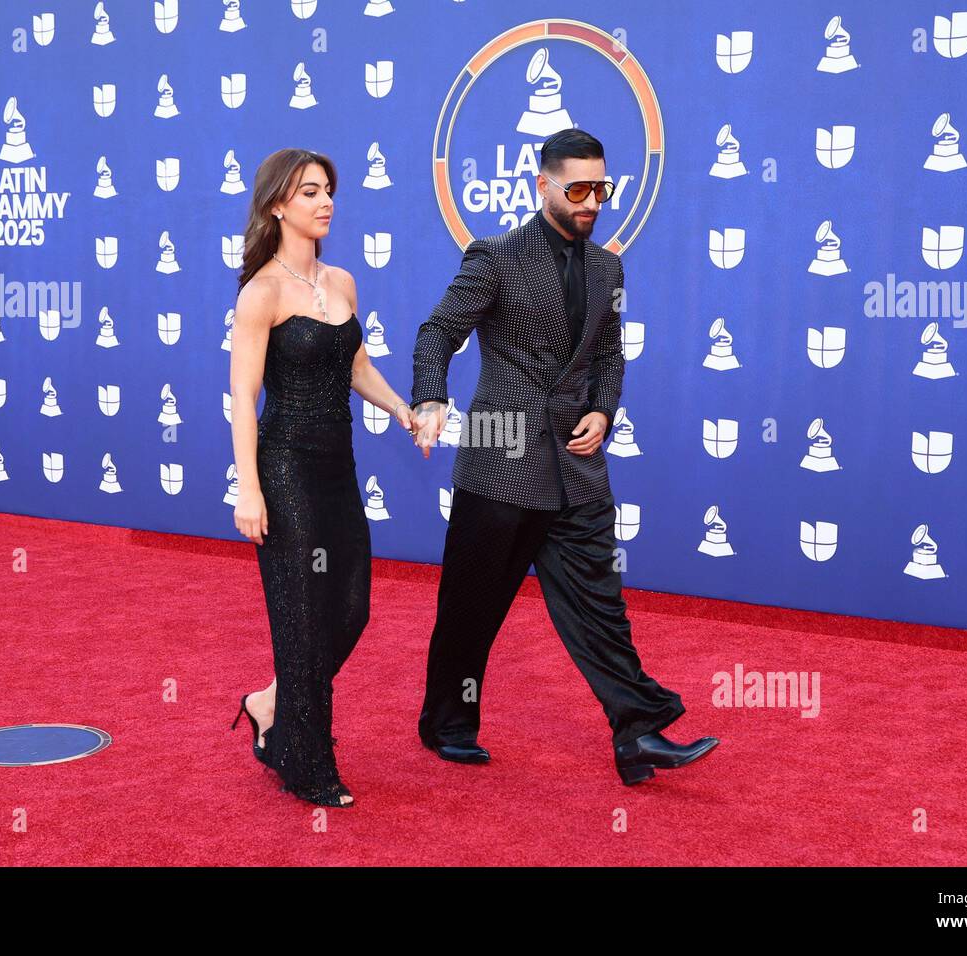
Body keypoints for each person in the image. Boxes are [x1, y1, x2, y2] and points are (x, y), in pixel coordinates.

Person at [408, 128, 720, 785]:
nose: (592, 203)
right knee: (473, 608)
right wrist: (432, 398)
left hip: (575, 466)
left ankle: (638, 734)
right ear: (541, 186)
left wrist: (604, 410)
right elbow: (438, 330)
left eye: (601, 189)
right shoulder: (493, 256)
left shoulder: (607, 266)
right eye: (577, 189)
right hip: (500, 453)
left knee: (600, 604)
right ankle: (448, 724)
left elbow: (608, 350)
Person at [229, 148, 416, 807]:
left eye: (329, 189)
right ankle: (303, 761)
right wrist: (248, 487)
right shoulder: (262, 292)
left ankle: (269, 702)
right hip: (285, 470)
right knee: (304, 618)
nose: (325, 201)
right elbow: (242, 395)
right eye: (310, 191)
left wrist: (400, 408)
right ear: (278, 204)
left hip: (339, 470)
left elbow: (355, 365)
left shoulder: (341, 282)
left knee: (351, 608)